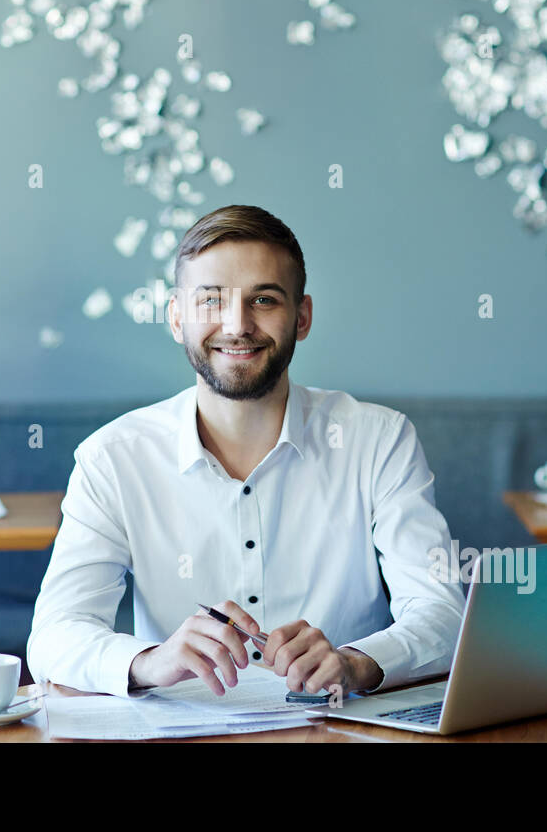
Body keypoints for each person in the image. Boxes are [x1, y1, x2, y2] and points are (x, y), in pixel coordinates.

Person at [28, 205, 465, 700]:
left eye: (263, 299)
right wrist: (151, 661)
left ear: (302, 318)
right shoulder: (112, 458)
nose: (237, 325)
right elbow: (54, 637)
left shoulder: (380, 440)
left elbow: (443, 614)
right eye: (211, 300)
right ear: (176, 317)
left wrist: (356, 663)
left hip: (339, 730)